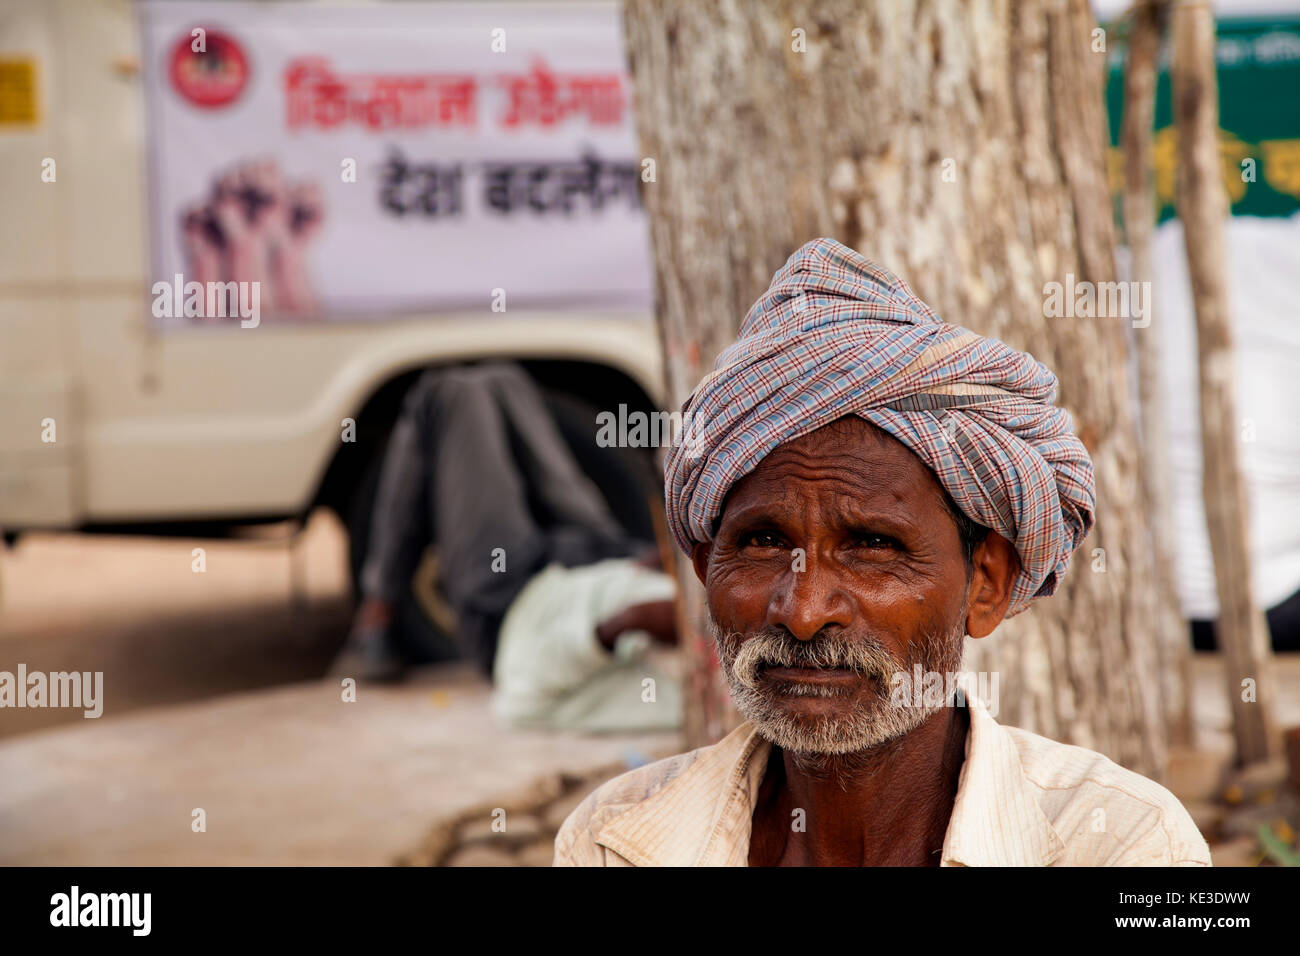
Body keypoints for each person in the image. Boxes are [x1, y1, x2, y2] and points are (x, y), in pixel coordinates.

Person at [554, 238, 1211, 866]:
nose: (803, 611)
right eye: (761, 542)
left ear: (986, 584)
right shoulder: (616, 843)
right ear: (703, 567)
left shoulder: (1119, 844)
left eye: (871, 547)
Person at [330, 361, 683, 732]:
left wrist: (628, 624)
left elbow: (527, 697)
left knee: (447, 393)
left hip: (511, 604)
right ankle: (377, 611)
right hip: (597, 561)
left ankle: (377, 612)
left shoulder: (682, 694)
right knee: (504, 380)